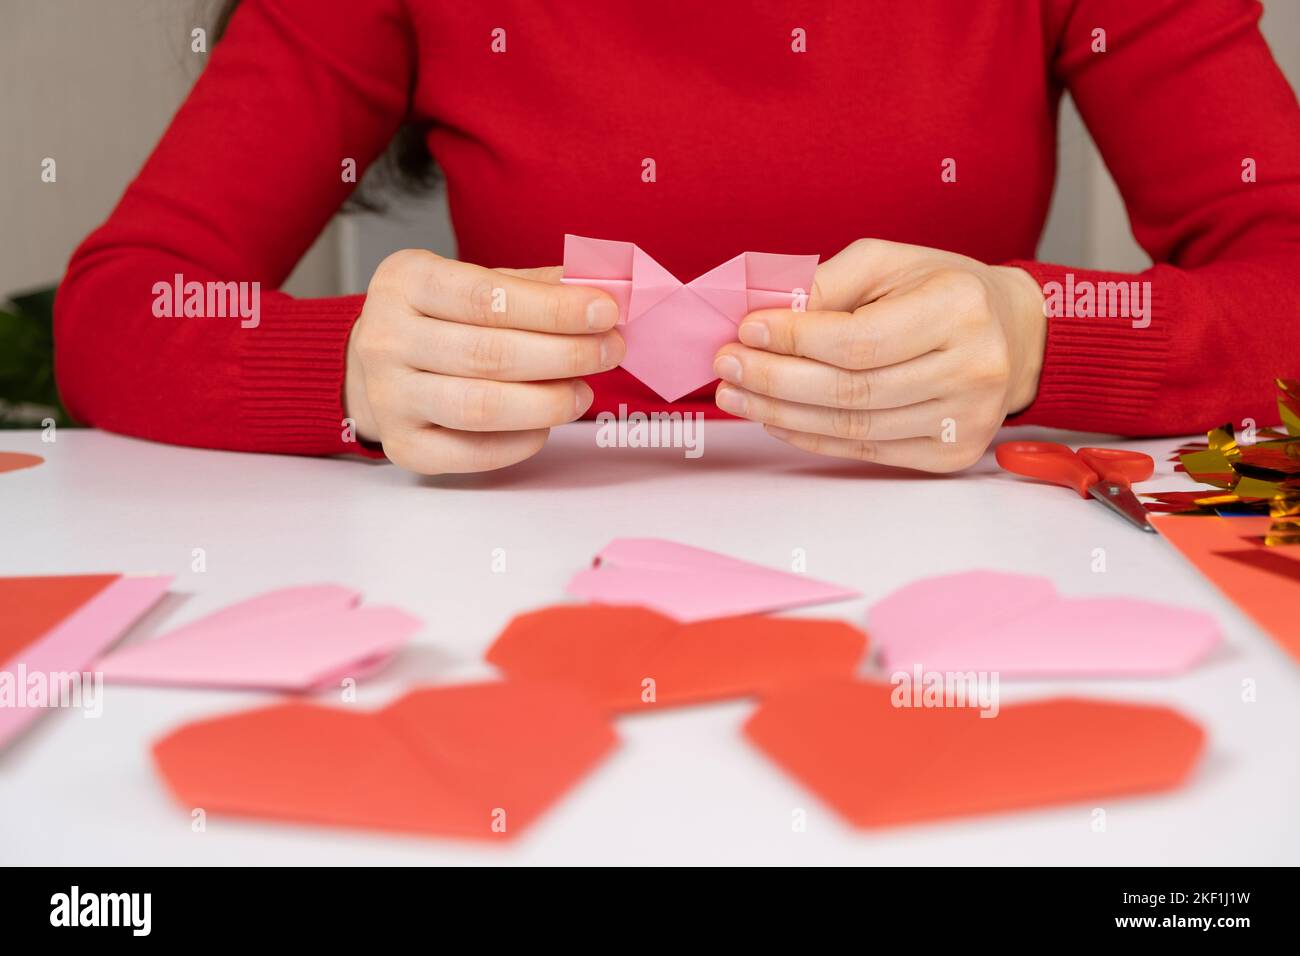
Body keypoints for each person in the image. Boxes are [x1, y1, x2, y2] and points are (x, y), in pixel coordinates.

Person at [54, 0, 1300, 474]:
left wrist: (1044, 337)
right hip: (501, 610)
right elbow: (126, 309)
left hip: (962, 624)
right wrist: (345, 372)